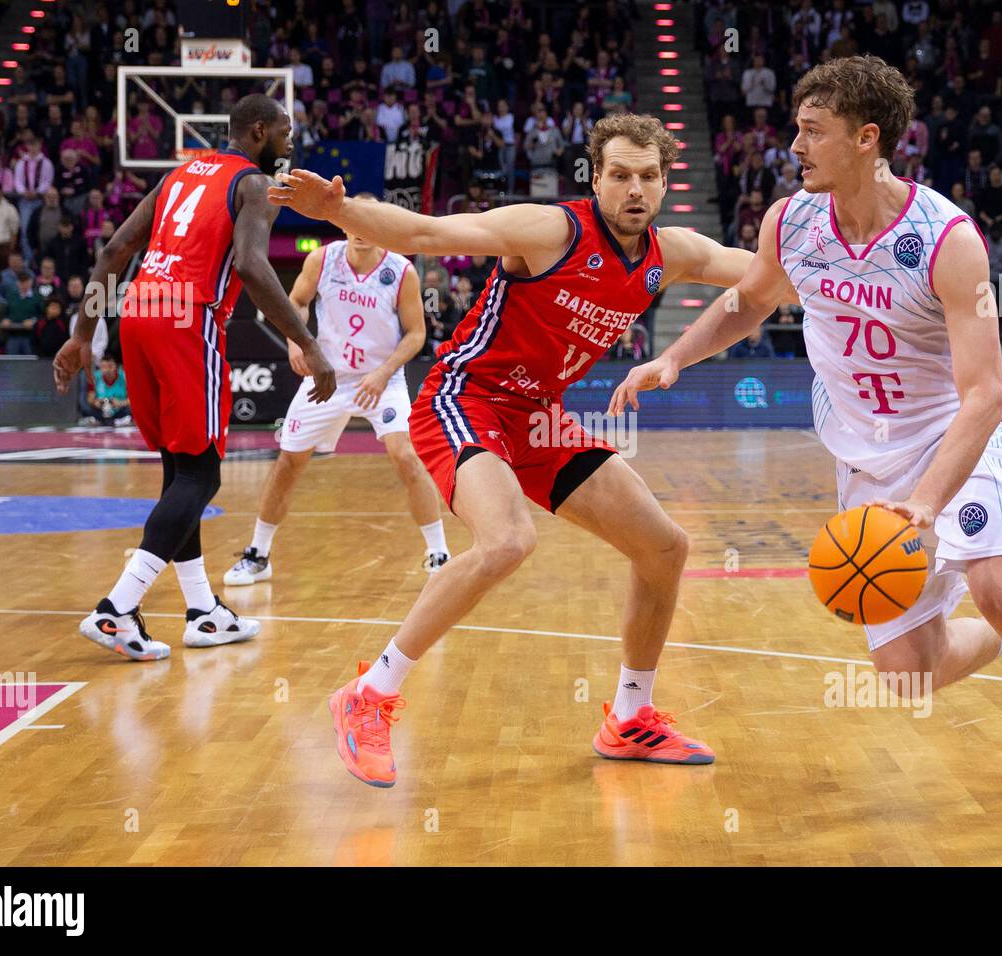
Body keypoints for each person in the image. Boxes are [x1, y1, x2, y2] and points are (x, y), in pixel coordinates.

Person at [610, 55, 1002, 858]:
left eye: (812, 131)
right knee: (911, 671)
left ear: (865, 137)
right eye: (797, 129)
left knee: (1001, 591)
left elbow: (985, 394)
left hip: (952, 443)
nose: (794, 146)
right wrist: (676, 359)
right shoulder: (792, 223)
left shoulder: (946, 241)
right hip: (865, 464)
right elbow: (751, 299)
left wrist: (926, 500)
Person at [269, 112, 755, 788]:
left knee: (665, 547)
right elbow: (426, 234)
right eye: (620, 175)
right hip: (463, 400)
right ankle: (368, 695)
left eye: (648, 176)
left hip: (536, 418)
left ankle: (630, 717)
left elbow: (768, 279)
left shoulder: (673, 254)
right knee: (506, 542)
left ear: (668, 183)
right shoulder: (550, 230)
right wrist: (342, 208)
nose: (634, 189)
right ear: (597, 177)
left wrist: (857, 258)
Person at [53, 94, 336, 661]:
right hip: (189, 318)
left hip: (137, 312)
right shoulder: (252, 183)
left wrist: (83, 334)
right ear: (259, 131)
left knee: (181, 471)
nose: (292, 139)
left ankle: (204, 611)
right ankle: (116, 609)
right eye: (285, 130)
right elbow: (254, 268)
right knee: (202, 478)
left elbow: (113, 250)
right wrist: (308, 342)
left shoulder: (179, 173)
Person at [225, 216, 451, 587]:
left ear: (382, 228)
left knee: (406, 456)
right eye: (354, 224)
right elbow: (295, 302)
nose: (362, 230)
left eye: (370, 224)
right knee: (288, 463)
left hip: (381, 379)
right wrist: (295, 341)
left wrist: (383, 373)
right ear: (345, 226)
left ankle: (439, 553)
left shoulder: (401, 271)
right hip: (328, 377)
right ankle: (258, 554)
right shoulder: (322, 260)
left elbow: (416, 334)